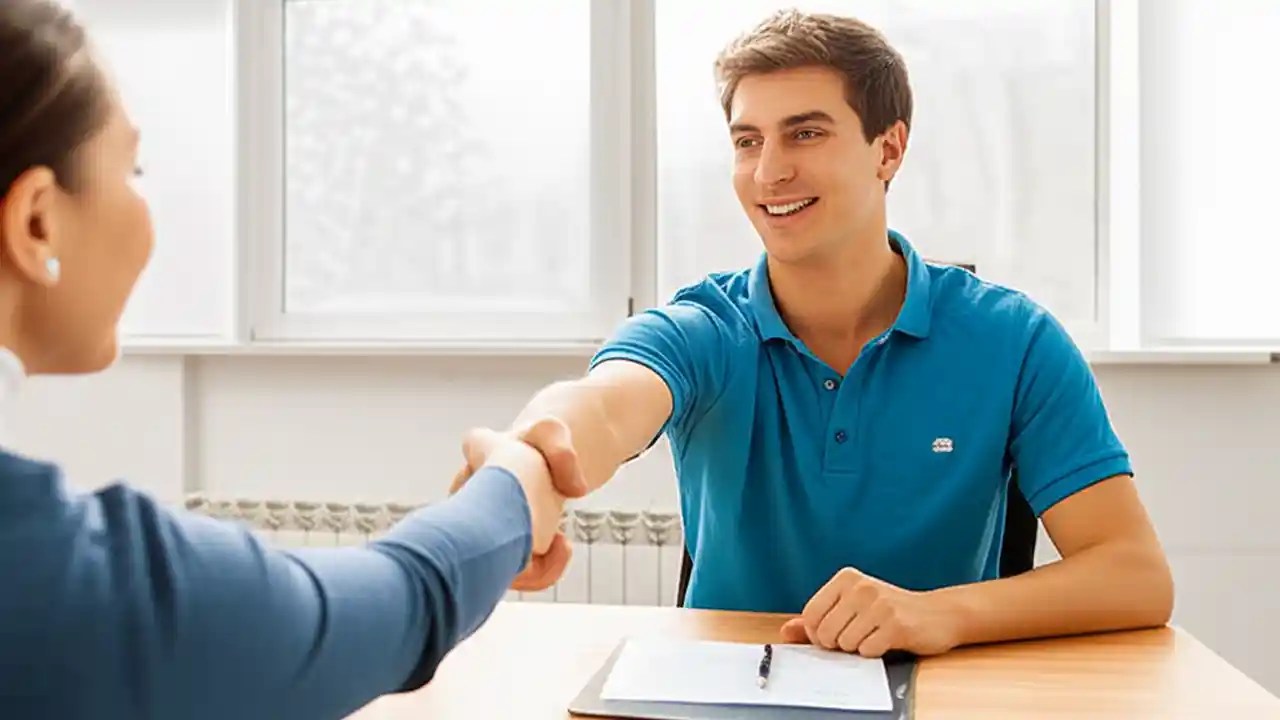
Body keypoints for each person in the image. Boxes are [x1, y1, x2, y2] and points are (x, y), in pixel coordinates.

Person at [452, 10, 1174, 658]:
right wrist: (517, 470)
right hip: (722, 699)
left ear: (888, 150)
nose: (769, 171)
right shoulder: (704, 329)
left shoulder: (1015, 340)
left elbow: (1134, 574)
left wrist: (937, 614)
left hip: (936, 699)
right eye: (747, 141)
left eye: (806, 132)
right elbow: (598, 410)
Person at [0, 2, 587, 718]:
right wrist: (513, 488)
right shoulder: (90, 588)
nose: (147, 213)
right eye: (134, 170)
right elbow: (403, 599)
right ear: (36, 221)